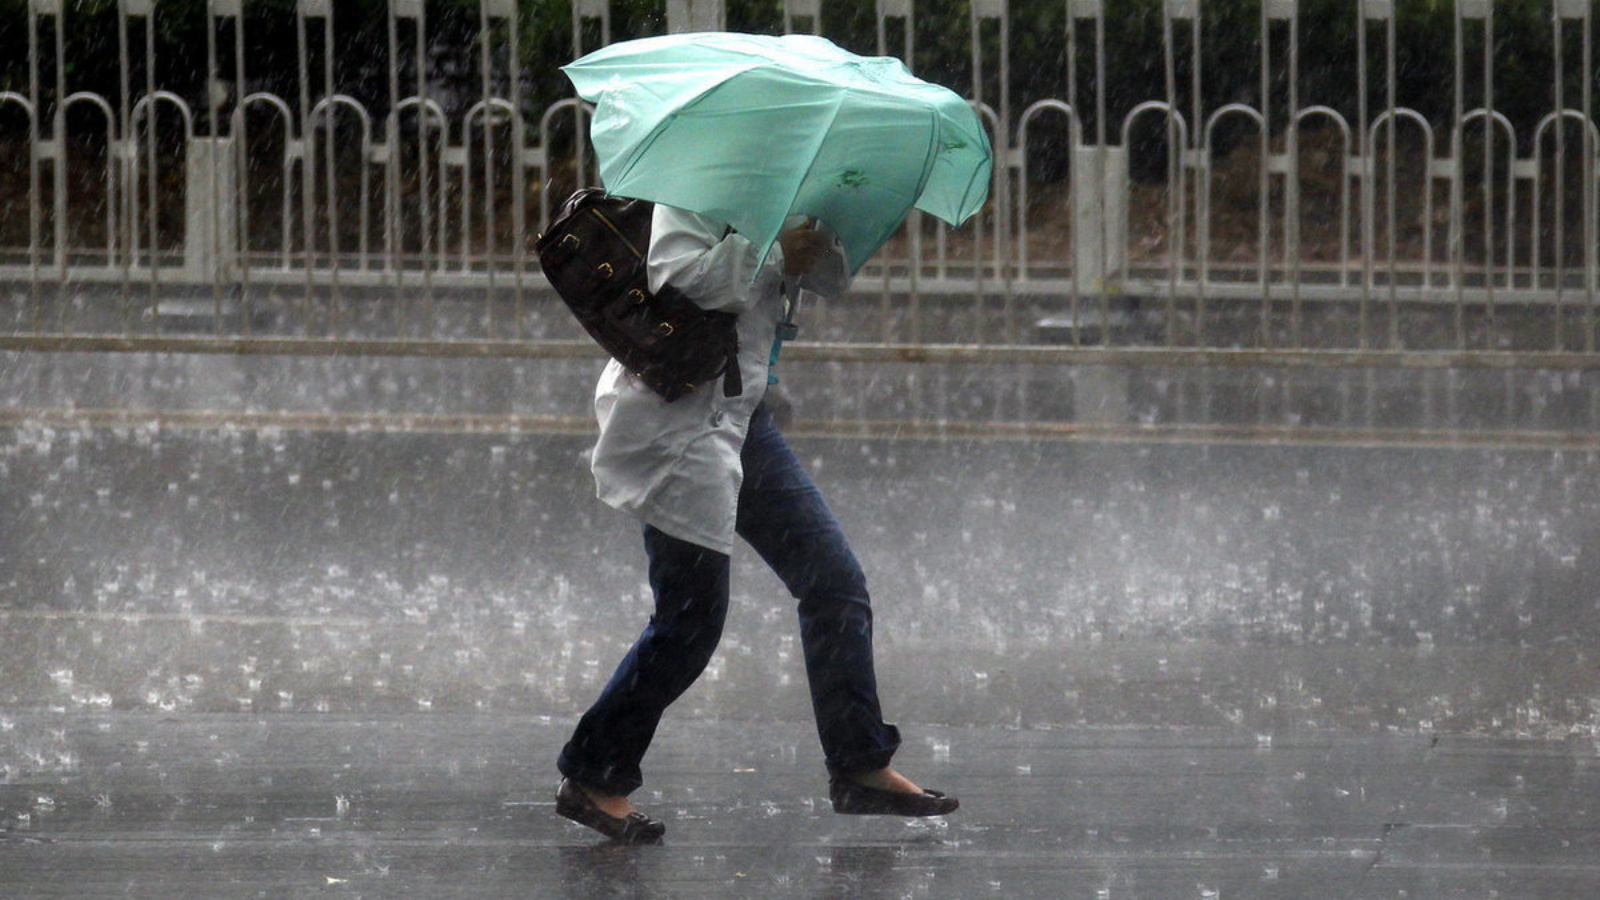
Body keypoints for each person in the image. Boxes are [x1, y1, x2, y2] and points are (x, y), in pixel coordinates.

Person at [554, 203, 958, 843]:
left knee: (834, 583)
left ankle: (859, 763)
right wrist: (773, 255)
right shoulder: (697, 181)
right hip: (680, 418)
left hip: (744, 418)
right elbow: (676, 276)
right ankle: (593, 773)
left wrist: (817, 237)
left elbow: (827, 280)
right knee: (690, 621)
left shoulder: (788, 183)